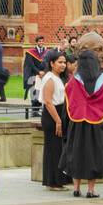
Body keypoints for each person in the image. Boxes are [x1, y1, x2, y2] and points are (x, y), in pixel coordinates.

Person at [62, 49, 103, 198]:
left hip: (77, 124)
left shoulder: (73, 82)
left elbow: (67, 107)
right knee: (95, 156)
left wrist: (66, 126)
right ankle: (91, 190)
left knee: (76, 154)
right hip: (98, 124)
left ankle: (76, 188)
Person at [39, 50, 71, 190]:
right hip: (52, 115)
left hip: (58, 113)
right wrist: (58, 121)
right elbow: (48, 101)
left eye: (64, 62)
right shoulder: (50, 79)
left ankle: (58, 180)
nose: (63, 65)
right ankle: (52, 181)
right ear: (52, 64)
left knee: (58, 148)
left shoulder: (57, 77)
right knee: (53, 149)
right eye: (60, 62)